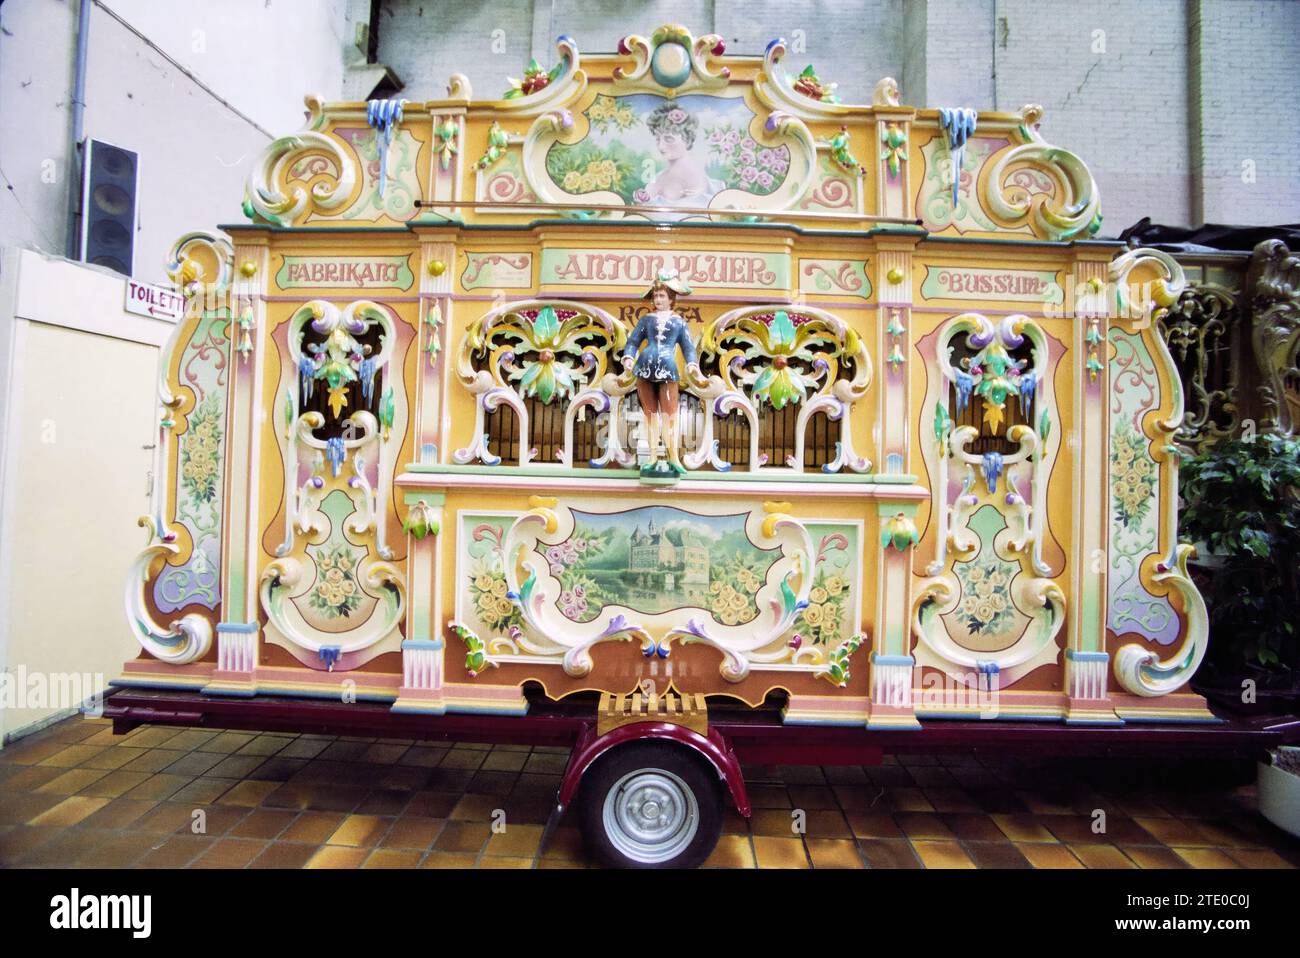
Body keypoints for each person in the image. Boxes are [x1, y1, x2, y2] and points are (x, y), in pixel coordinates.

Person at [622, 268, 699, 476]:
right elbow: (633, 342)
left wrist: (692, 363)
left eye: (662, 295)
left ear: (671, 298)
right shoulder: (646, 320)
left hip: (668, 370)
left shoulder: (678, 322)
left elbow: (688, 347)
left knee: (670, 415)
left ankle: (673, 456)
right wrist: (628, 356)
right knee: (650, 414)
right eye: (655, 295)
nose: (658, 299)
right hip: (645, 368)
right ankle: (653, 456)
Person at [633, 104, 724, 218]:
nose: (661, 146)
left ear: (687, 139)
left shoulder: (711, 186)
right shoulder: (654, 183)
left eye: (669, 139)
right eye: (658, 139)